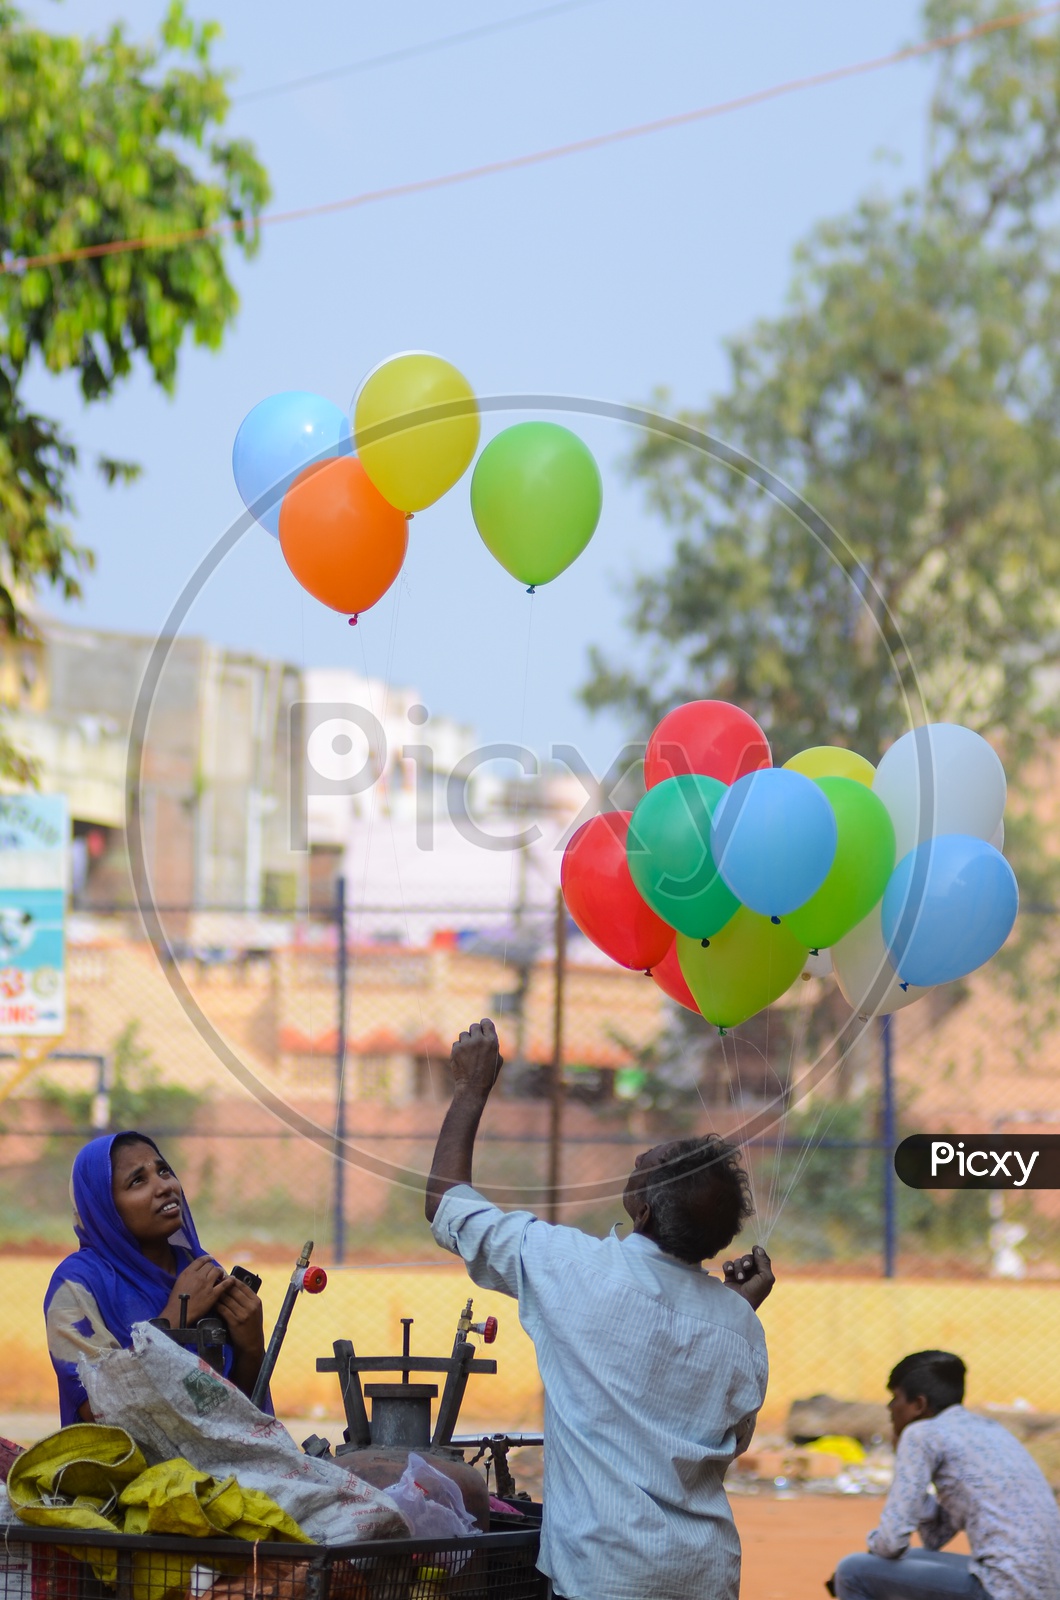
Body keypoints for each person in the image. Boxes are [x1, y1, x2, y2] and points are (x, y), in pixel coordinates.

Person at [425, 1018, 775, 1600]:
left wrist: (470, 1090)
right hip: (706, 1577)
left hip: (605, 1576)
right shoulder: (742, 1326)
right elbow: (726, 1439)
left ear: (642, 1211)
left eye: (642, 1165)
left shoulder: (573, 1268)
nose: (636, 1156)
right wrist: (735, 1311)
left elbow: (447, 1205)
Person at [44, 1130, 266, 1425]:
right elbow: (96, 1409)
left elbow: (236, 1411)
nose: (164, 1187)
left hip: (220, 1464)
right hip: (128, 1468)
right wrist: (173, 1320)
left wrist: (251, 1348)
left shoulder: (199, 1270)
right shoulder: (75, 1285)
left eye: (164, 1171)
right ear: (105, 1208)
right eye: (138, 1180)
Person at [832, 1349, 1060, 1600]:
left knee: (851, 1571)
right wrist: (915, 1482)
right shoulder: (990, 1430)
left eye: (895, 1398)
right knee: (911, 1557)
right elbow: (935, 1537)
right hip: (1046, 1588)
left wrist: (903, 1463)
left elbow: (890, 1543)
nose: (890, 1407)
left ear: (919, 1404)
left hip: (1002, 1590)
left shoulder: (921, 1434)